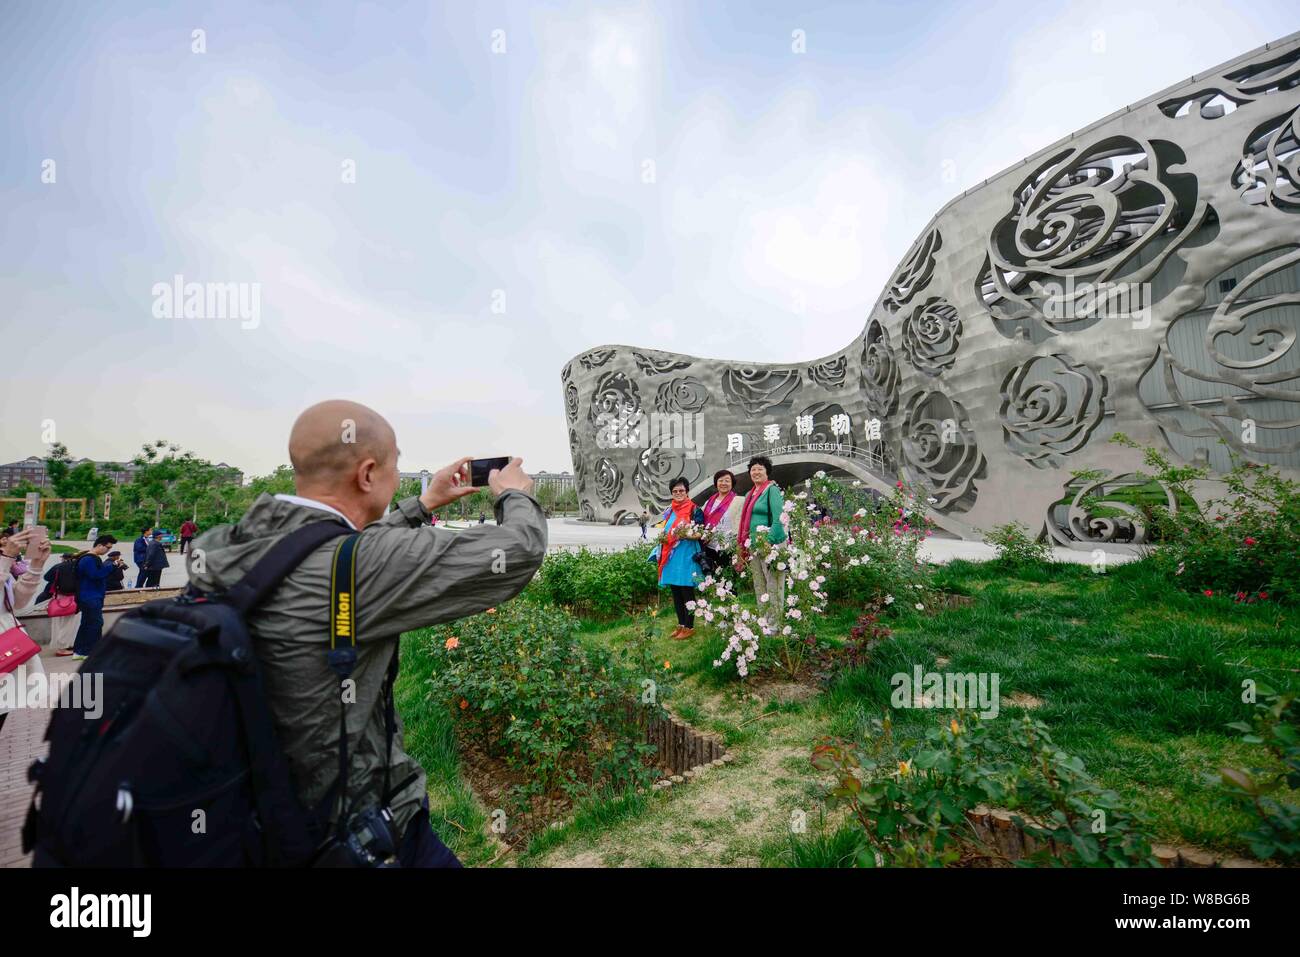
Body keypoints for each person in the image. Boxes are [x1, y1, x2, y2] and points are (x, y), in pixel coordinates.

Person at [187, 399, 548, 868]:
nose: (399, 475)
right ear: (368, 473)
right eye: (396, 464)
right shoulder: (362, 568)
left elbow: (331, 552)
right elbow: (518, 551)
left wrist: (424, 503)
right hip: (355, 833)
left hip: (259, 818)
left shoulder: (229, 543)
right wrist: (514, 493)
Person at [0, 528, 50, 734]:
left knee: (3, 706)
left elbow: (17, 602)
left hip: (8, 646)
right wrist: (5, 559)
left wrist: (37, 565)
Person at [735, 456, 788, 631]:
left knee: (774, 583)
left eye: (760, 469)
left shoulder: (771, 490)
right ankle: (765, 620)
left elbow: (779, 518)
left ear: (767, 472)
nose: (756, 472)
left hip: (769, 545)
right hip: (754, 546)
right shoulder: (751, 493)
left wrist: (769, 542)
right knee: (759, 584)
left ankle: (775, 624)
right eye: (753, 470)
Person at [650, 477, 706, 641]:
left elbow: (701, 533)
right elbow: (666, 530)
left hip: (687, 556)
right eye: (675, 491)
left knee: (686, 589)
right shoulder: (670, 511)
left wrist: (687, 535)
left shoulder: (694, 510)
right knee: (675, 590)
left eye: (681, 490)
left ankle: (689, 626)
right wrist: (663, 539)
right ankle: (681, 624)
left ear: (687, 491)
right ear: (672, 493)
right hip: (672, 557)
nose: (678, 493)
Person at [72, 534, 118, 659]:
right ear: (99, 545)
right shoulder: (88, 559)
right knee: (96, 623)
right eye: (107, 547)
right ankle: (89, 651)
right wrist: (111, 566)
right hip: (89, 596)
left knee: (87, 623)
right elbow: (95, 575)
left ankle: (80, 651)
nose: (108, 550)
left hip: (91, 595)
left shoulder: (91, 558)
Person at [700, 469, 743, 573]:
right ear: (716, 483)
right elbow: (700, 520)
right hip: (710, 547)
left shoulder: (739, 500)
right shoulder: (709, 501)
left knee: (729, 580)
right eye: (721, 480)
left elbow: (742, 525)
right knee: (711, 581)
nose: (724, 483)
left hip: (728, 548)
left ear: (732, 483)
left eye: (727, 480)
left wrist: (740, 551)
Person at [39, 552, 81, 656]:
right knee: (71, 623)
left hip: (59, 598)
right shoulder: (76, 567)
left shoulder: (58, 567)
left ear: (63, 558)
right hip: (72, 598)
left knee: (58, 623)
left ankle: (59, 645)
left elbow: (47, 577)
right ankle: (64, 647)